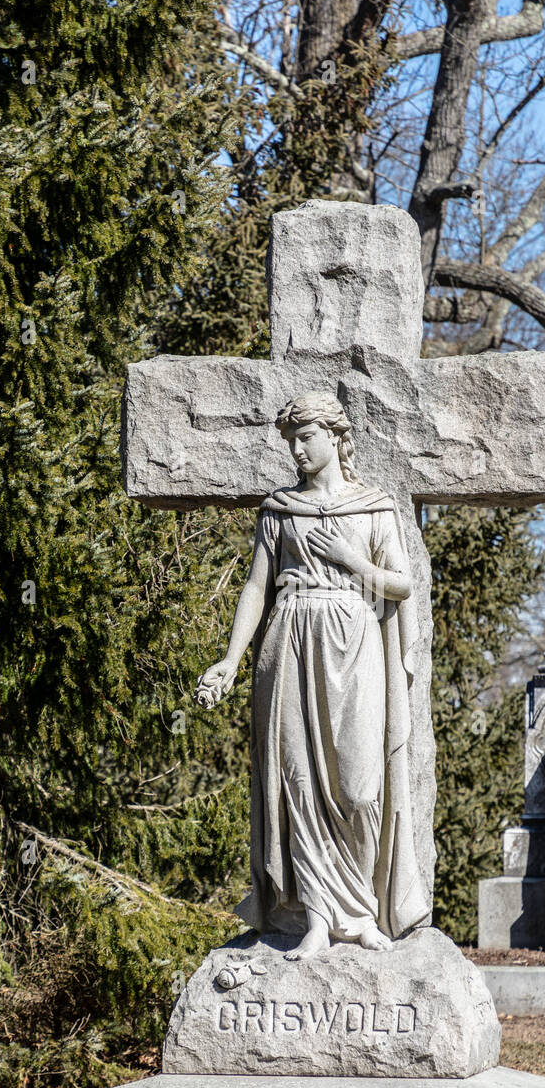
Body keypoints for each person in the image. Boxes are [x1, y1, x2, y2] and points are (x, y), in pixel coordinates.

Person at [196, 390, 428, 960]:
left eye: (306, 438)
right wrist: (230, 659)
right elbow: (256, 587)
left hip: (352, 637)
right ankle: (320, 919)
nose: (297, 450)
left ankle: (362, 912)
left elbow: (400, 584)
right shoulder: (279, 510)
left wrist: (353, 560)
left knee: (359, 785)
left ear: (334, 437)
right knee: (297, 782)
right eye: (290, 440)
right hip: (289, 639)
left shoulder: (373, 507)